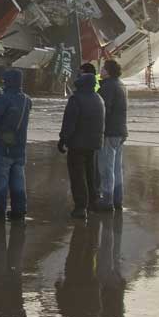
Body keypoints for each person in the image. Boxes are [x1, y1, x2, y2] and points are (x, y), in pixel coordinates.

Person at [0, 69, 32, 221]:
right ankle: (19, 212)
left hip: (3, 148)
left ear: (7, 82)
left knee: (0, 181)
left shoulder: (3, 99)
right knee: (18, 182)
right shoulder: (27, 100)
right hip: (20, 149)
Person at [58, 73, 105, 219]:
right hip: (94, 144)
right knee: (91, 174)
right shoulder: (99, 99)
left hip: (77, 144)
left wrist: (63, 140)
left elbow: (69, 122)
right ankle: (93, 202)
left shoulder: (76, 99)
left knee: (78, 176)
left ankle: (80, 207)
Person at [97, 60, 128, 211]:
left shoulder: (108, 86)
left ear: (108, 71)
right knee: (116, 168)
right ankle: (118, 199)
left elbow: (104, 110)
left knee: (106, 167)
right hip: (121, 131)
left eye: (103, 68)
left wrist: (98, 130)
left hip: (109, 131)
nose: (100, 70)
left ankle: (107, 200)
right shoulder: (121, 85)